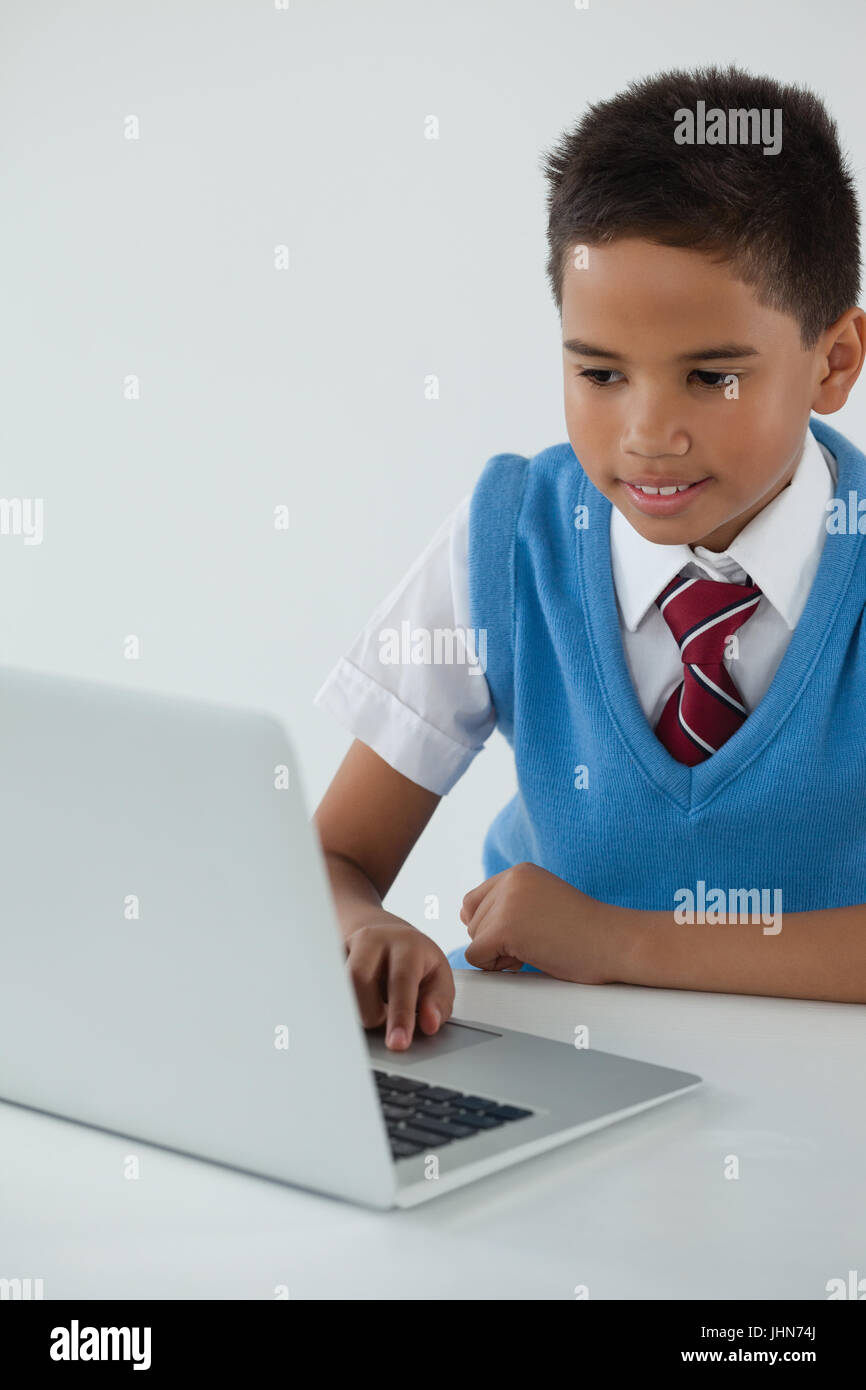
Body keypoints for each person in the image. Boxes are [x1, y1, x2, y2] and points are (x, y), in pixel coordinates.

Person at [313, 64, 866, 1049]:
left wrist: (619, 941)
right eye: (598, 372)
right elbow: (333, 857)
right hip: (562, 1084)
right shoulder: (512, 535)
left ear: (830, 362)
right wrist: (365, 933)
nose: (646, 432)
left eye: (709, 376)